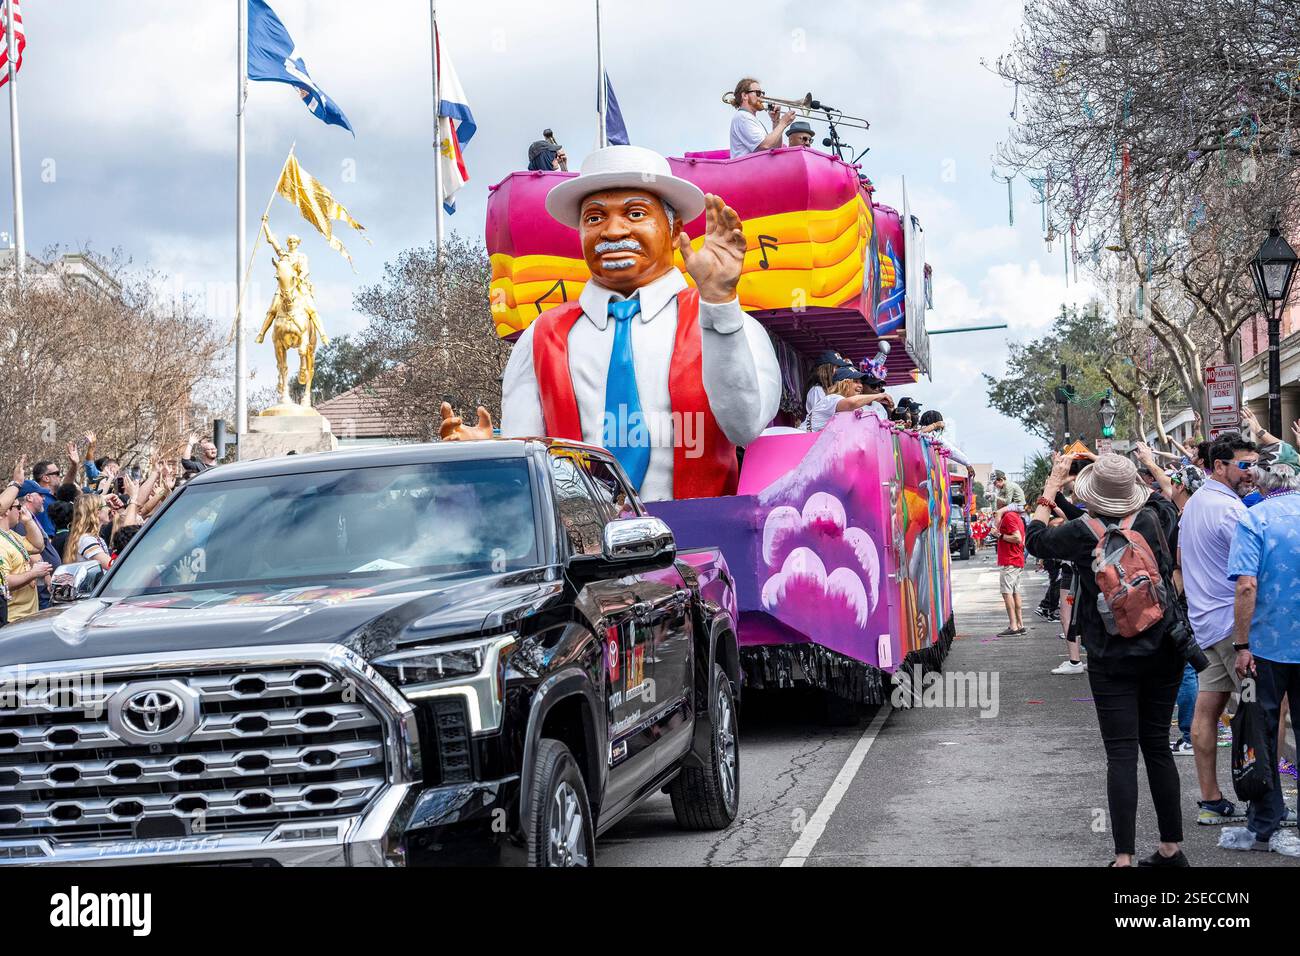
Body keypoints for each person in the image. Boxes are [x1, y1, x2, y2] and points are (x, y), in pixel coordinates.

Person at [442, 145, 782, 503]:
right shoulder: (541, 336)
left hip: (699, 547)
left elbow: (744, 427)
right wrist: (490, 456)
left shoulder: (726, 320)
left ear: (674, 227)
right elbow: (528, 459)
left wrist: (720, 303)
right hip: (584, 550)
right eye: (594, 218)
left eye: (635, 214)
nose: (614, 231)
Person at [1027, 453, 1188, 866]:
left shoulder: (1081, 533)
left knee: (1120, 754)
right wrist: (1119, 464)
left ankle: (1124, 858)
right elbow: (1169, 495)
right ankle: (1171, 849)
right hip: (1165, 648)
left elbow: (1036, 540)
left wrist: (1051, 487)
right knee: (1157, 748)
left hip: (1111, 654)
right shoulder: (1156, 518)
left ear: (1091, 493)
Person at [1220, 444, 1300, 857]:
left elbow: (1246, 585)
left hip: (1266, 646)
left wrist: (1242, 643)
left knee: (1263, 730)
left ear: (1264, 483)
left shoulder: (1254, 519)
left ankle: (1267, 820)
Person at [1178, 436, 1258, 824]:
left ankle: (1211, 800)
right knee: (1257, 712)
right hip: (1233, 629)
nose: (1251, 473)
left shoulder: (1194, 505)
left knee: (1207, 710)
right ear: (1219, 466)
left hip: (1205, 624)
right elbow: (1249, 577)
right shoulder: (1231, 511)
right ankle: (1264, 799)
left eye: (1254, 465)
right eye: (1244, 465)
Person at [805, 366, 895, 431]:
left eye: (861, 382)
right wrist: (878, 396)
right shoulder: (831, 399)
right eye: (855, 382)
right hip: (801, 442)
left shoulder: (849, 406)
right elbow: (851, 403)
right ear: (843, 383)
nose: (860, 386)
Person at [729, 77, 795, 158]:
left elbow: (776, 148)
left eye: (762, 93)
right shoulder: (743, 117)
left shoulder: (749, 118)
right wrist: (783, 123)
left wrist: (776, 122)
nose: (761, 97)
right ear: (744, 96)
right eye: (758, 93)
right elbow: (765, 145)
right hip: (746, 169)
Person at [995, 505, 1026, 637]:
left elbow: (1017, 538)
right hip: (1016, 559)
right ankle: (1019, 624)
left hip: (1010, 560)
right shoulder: (1016, 516)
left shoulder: (1008, 517)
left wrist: (1000, 536)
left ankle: (1013, 626)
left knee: (1007, 593)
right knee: (1015, 592)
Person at [63, 494, 112, 570]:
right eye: (106, 506)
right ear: (97, 512)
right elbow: (111, 565)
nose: (109, 509)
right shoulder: (87, 540)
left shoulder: (92, 538)